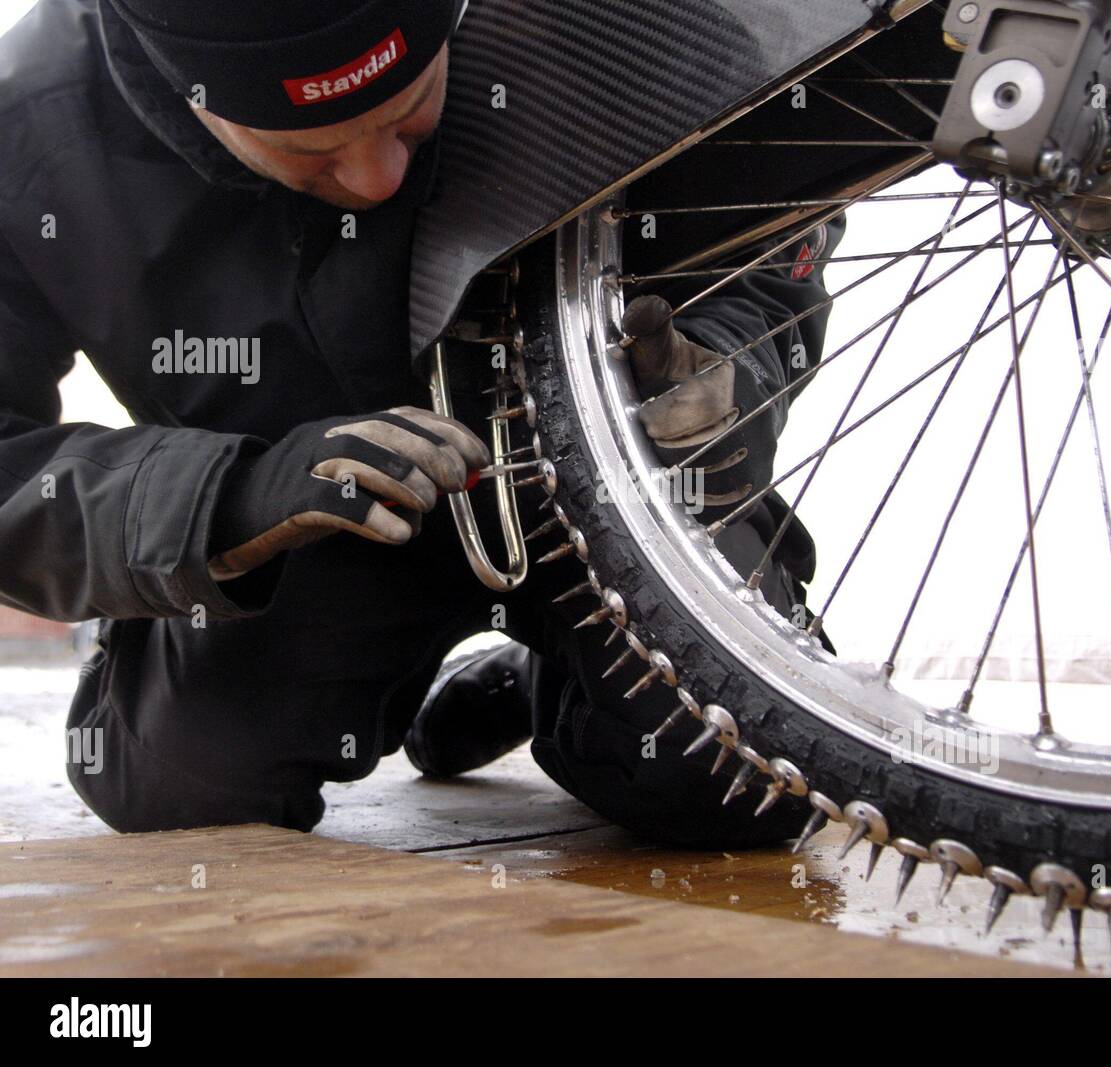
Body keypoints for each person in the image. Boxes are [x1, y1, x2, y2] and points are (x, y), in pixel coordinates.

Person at [0, 0, 837, 845]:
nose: (376, 178)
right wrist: (224, 503)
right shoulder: (26, 127)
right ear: (195, 99)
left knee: (740, 778)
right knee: (169, 780)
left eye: (411, 109)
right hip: (305, 532)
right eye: (312, 150)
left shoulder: (621, 18)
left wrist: (722, 374)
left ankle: (548, 672)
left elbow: (764, 230)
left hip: (594, 496)